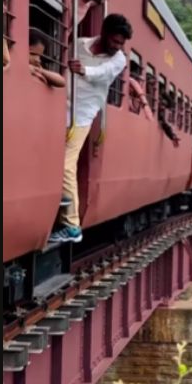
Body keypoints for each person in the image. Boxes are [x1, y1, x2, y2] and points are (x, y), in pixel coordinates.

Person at [49, 13, 134, 244]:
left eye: (121, 43)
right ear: (104, 33)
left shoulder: (119, 60)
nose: (118, 47)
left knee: (66, 164)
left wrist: (84, 70)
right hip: (59, 109)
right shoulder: (79, 44)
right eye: (115, 41)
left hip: (83, 116)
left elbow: (104, 74)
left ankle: (72, 226)